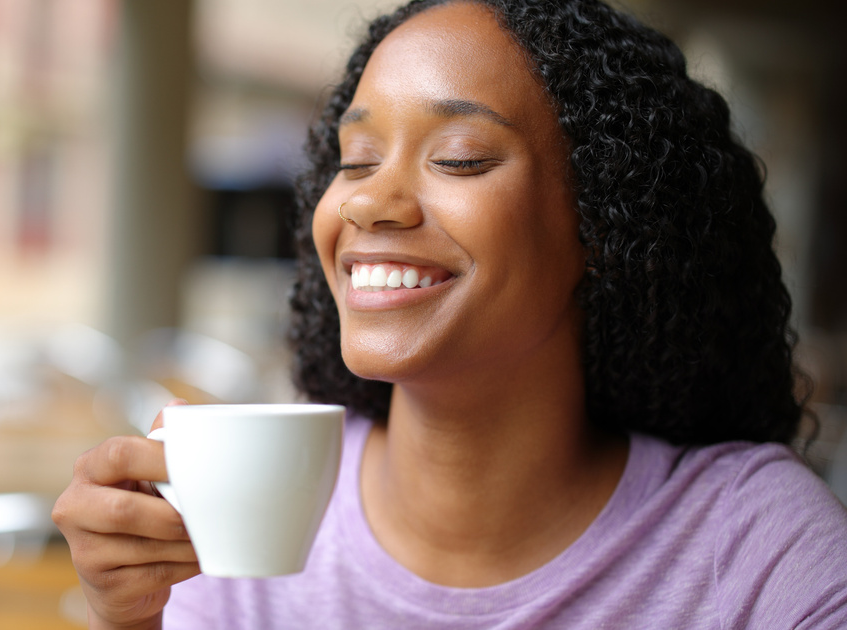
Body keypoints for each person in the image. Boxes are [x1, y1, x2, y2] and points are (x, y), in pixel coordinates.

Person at [51, 0, 847, 628]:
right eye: (355, 161)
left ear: (607, 224)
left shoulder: (759, 556)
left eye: (459, 158)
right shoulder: (250, 513)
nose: (369, 199)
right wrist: (124, 623)